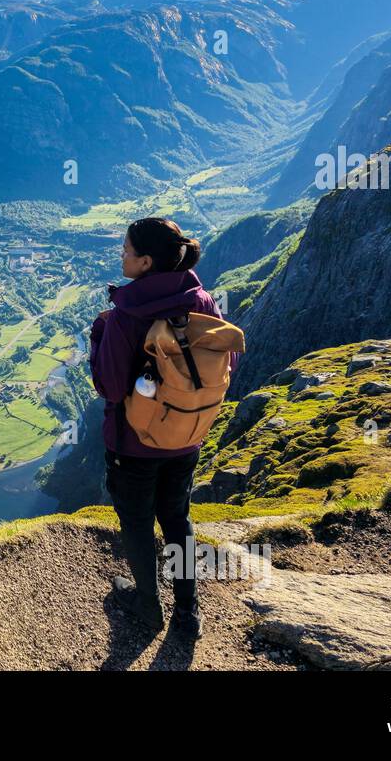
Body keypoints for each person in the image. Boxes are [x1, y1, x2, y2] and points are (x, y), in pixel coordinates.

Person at [88, 217, 228, 639]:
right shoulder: (202, 301)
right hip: (187, 437)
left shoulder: (125, 317)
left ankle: (146, 605)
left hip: (135, 444)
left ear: (146, 262)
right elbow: (224, 364)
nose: (121, 255)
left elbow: (110, 387)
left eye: (126, 250)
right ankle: (189, 612)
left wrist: (98, 339)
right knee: (177, 517)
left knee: (135, 520)